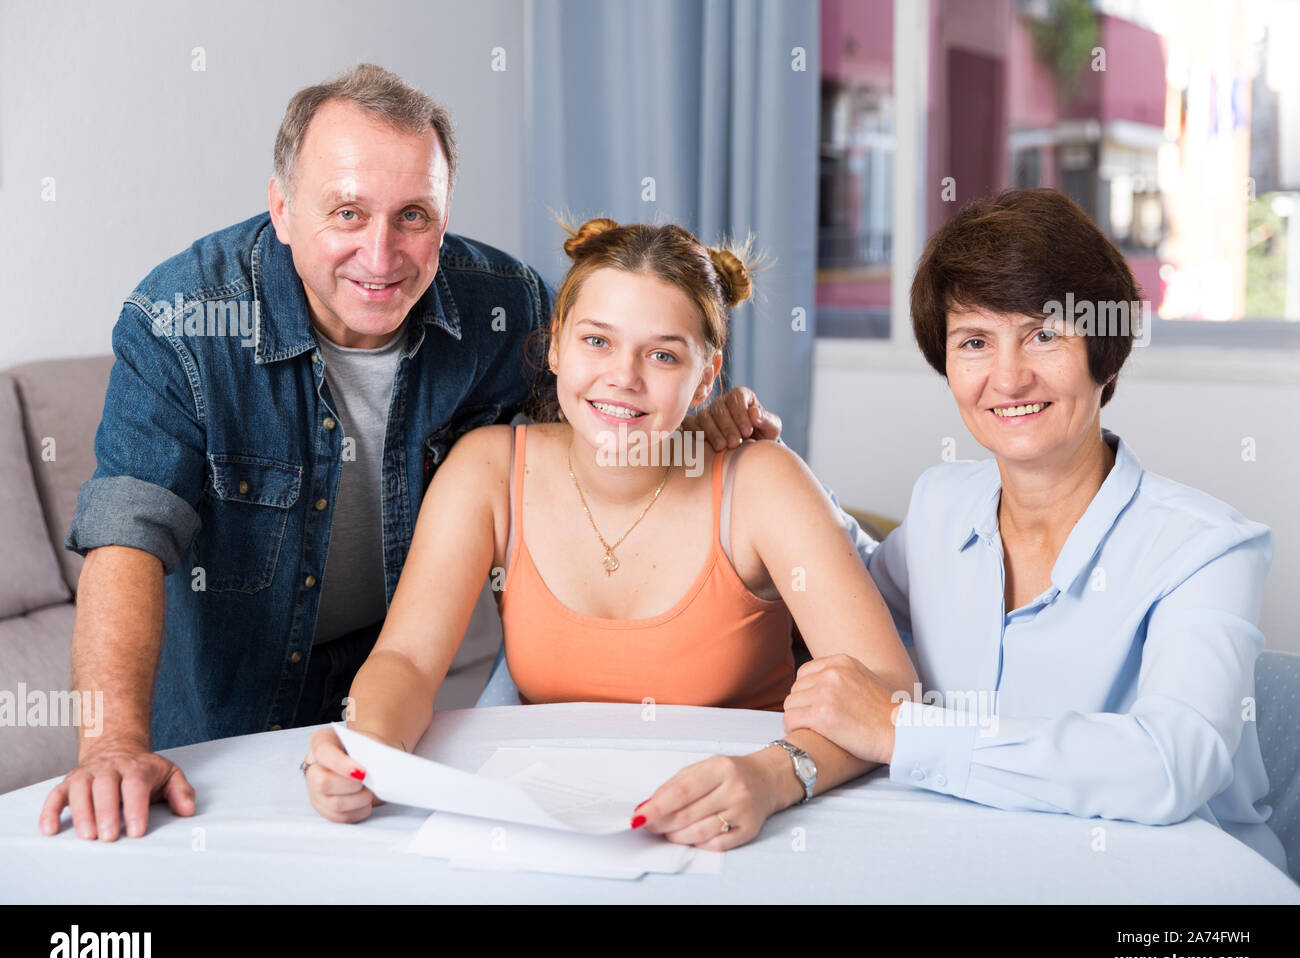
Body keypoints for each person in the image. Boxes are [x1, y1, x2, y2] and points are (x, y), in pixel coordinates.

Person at [38, 64, 772, 844]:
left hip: (429, 722)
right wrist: (113, 743)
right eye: (347, 212)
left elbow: (599, 423)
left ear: (447, 214)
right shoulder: (182, 319)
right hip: (229, 719)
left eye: (414, 216)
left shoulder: (506, 307)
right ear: (282, 208)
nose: (381, 254)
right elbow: (128, 534)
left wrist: (696, 429)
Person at [302, 218, 917, 850]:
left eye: (662, 354)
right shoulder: (489, 470)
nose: (623, 377)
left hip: (745, 832)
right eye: (597, 341)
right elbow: (405, 660)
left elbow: (889, 694)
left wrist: (772, 777)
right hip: (558, 827)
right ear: (555, 348)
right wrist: (367, 747)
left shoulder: (762, 483)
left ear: (705, 377)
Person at [781, 187, 1288, 874]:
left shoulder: (1207, 549)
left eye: (1044, 334)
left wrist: (902, 729)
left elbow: (1170, 764)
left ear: (1104, 354)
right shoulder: (940, 506)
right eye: (975, 341)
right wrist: (761, 469)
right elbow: (844, 584)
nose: (1009, 376)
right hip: (982, 868)